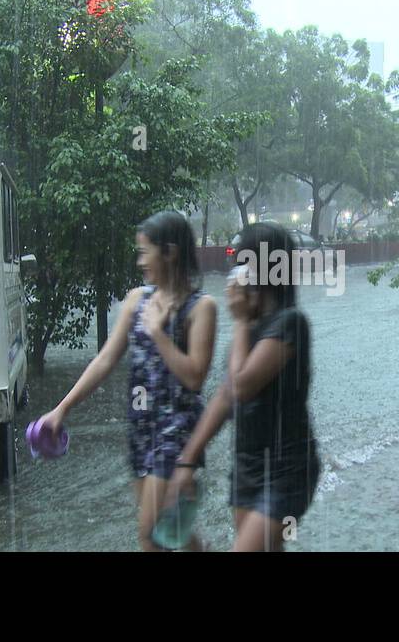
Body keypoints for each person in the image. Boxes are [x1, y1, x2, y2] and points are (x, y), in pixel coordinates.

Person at [41, 211, 217, 551]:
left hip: (179, 429)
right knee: (168, 529)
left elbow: (195, 377)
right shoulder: (137, 300)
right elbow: (105, 360)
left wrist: (157, 334)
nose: (140, 262)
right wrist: (62, 409)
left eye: (145, 252)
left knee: (149, 534)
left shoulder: (201, 308)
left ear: (170, 252)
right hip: (141, 426)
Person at [168, 223, 320, 552]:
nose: (234, 270)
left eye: (242, 260)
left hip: (287, 469)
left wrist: (238, 320)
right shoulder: (250, 330)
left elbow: (241, 388)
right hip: (247, 466)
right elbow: (224, 398)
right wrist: (187, 460)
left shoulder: (291, 323)